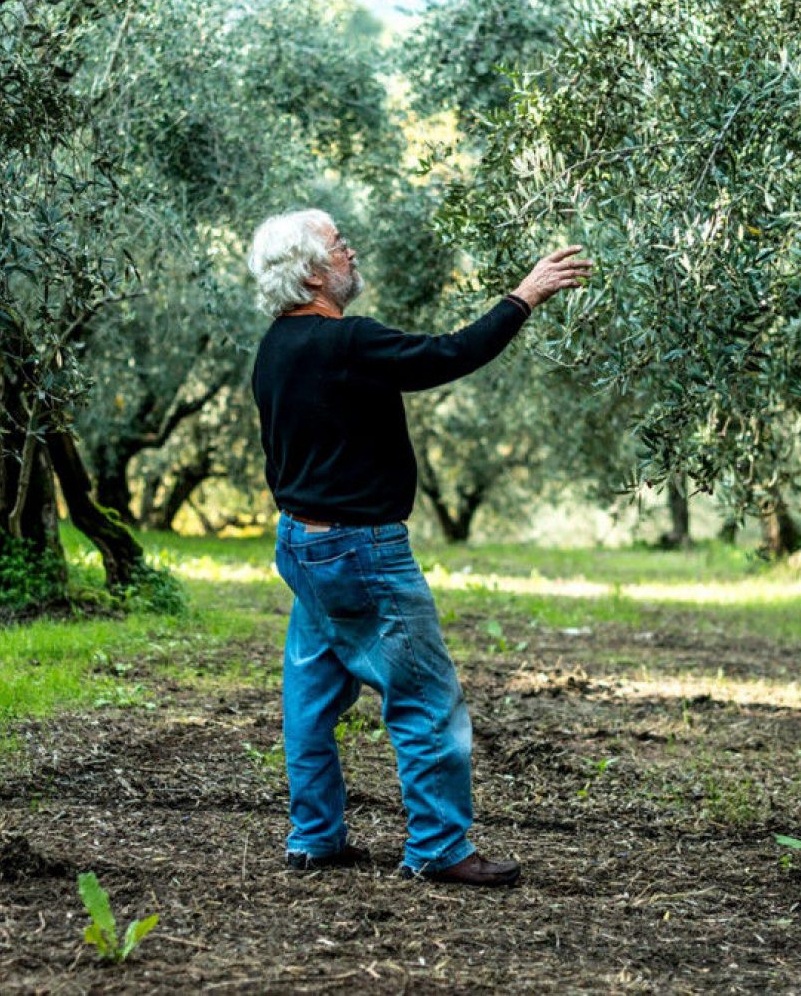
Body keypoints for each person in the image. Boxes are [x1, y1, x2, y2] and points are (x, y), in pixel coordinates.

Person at [247, 208, 593, 886]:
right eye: (340, 245)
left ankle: (314, 837)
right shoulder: (344, 341)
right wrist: (523, 297)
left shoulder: (275, 347)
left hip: (302, 546)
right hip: (361, 552)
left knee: (311, 699)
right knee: (427, 700)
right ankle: (438, 848)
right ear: (314, 272)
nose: (353, 252)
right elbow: (447, 355)